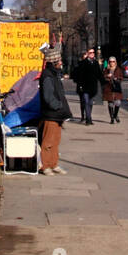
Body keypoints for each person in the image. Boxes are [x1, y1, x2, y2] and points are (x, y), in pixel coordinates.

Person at [38, 45, 72, 175]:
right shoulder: (48, 75)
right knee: (48, 141)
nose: (61, 62)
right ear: (54, 62)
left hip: (58, 114)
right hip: (51, 114)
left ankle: (53, 164)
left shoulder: (54, 74)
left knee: (56, 141)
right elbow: (48, 96)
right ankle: (46, 166)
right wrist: (58, 106)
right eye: (59, 60)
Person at [71, 49, 99, 124]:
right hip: (82, 87)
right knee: (84, 102)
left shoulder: (94, 63)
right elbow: (75, 75)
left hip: (91, 87)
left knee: (89, 102)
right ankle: (85, 117)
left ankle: (88, 117)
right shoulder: (80, 65)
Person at [103, 56, 124, 123]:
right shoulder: (106, 69)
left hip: (116, 88)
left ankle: (115, 115)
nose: (112, 63)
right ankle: (112, 118)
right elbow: (103, 77)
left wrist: (116, 78)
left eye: (113, 61)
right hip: (108, 88)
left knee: (118, 103)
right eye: (110, 61)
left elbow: (121, 77)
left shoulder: (118, 69)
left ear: (115, 62)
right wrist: (107, 76)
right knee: (110, 104)